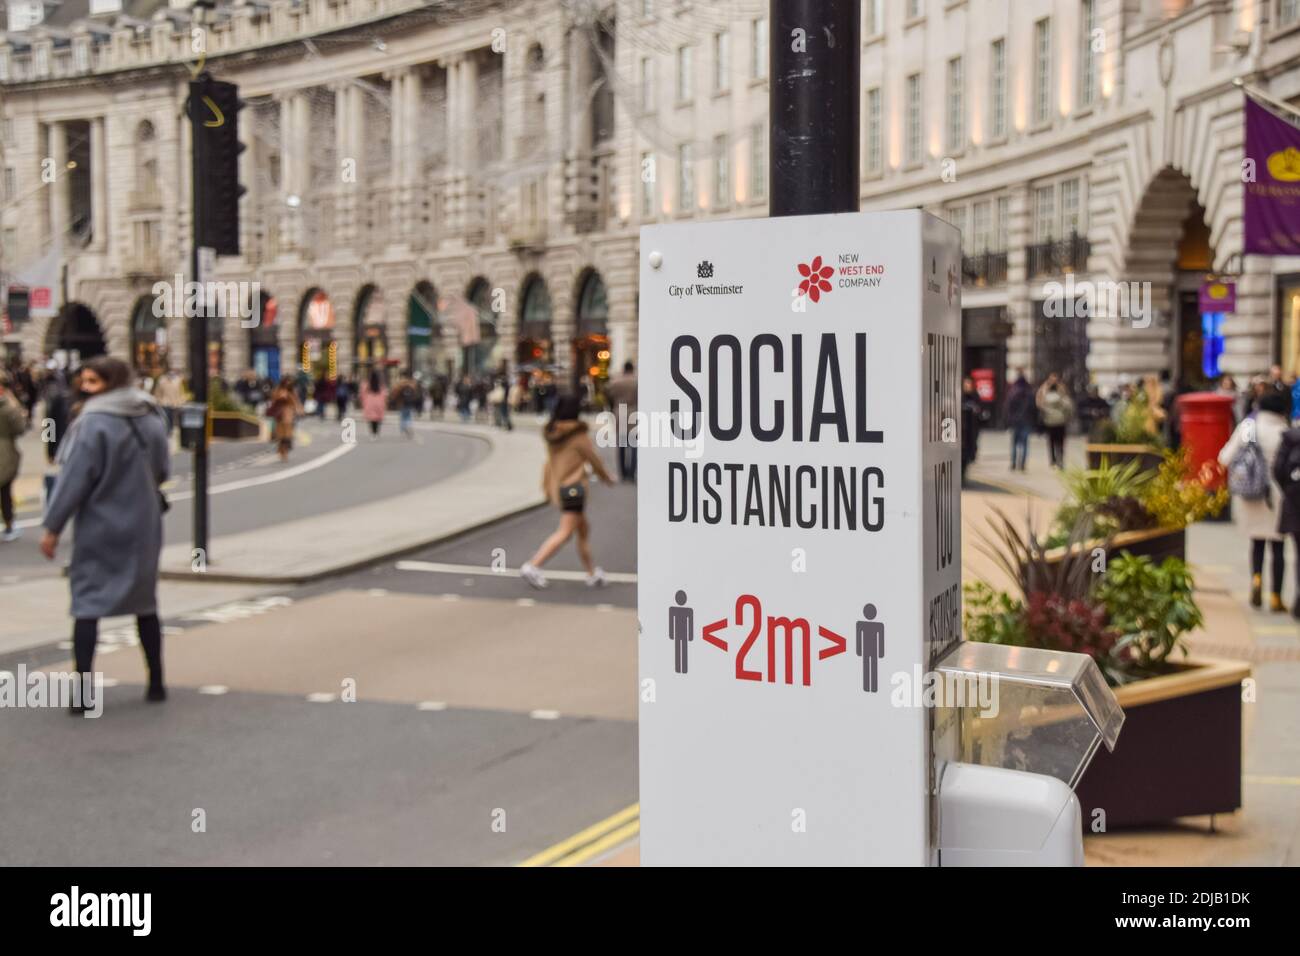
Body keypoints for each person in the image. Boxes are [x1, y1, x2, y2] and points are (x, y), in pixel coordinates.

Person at [39, 356, 171, 707]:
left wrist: (52, 527)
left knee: (87, 604)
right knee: (145, 603)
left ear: (110, 383)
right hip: (144, 524)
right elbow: (163, 468)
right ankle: (156, 683)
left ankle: (82, 695)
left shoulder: (91, 422)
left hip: (100, 525)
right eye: (84, 381)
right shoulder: (152, 415)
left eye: (93, 382)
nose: (85, 388)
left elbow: (72, 481)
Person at [520, 393, 614, 589]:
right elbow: (594, 459)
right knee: (564, 532)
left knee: (582, 530)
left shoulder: (553, 433)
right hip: (574, 488)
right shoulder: (578, 436)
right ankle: (533, 565)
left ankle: (592, 573)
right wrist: (607, 478)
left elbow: (549, 463)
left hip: (560, 486)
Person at [1221, 391, 1290, 611]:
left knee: (1257, 543)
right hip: (1279, 495)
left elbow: (1225, 458)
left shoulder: (1249, 428)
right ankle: (1276, 597)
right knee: (1278, 546)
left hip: (1251, 493)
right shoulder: (1285, 431)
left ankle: (1256, 580)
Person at [0, 372, 28, 542]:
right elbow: (20, 428)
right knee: (5, 491)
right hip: (4, 453)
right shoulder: (7, 407)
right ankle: (9, 525)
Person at [605, 360, 639, 482]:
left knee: (621, 445)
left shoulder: (616, 382)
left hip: (620, 412)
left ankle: (623, 473)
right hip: (634, 412)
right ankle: (631, 472)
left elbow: (608, 395)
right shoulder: (636, 382)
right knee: (634, 445)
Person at [1036, 373, 1074, 469]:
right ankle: (1060, 459)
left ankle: (1053, 460)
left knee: (1051, 441)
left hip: (1050, 422)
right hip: (1061, 421)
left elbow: (1040, 404)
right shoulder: (1061, 394)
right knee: (1060, 442)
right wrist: (1068, 417)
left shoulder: (1045, 394)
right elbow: (1068, 406)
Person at [1005, 369, 1035, 471]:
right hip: (1026, 421)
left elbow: (1008, 408)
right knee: (1025, 443)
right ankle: (1022, 464)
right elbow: (1033, 408)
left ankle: (1013, 463)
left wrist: (1009, 420)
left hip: (1015, 421)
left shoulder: (1012, 392)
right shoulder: (1029, 392)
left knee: (1014, 443)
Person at [267, 379, 303, 462]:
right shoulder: (278, 391)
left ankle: (285, 450)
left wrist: (299, 410)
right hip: (279, 415)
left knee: (287, 435)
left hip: (288, 415)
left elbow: (296, 402)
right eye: (287, 383)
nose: (288, 385)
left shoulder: (292, 392)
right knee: (280, 435)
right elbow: (274, 400)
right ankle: (281, 450)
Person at [959, 377, 981, 483]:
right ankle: (961, 474)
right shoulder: (960, 397)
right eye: (966, 384)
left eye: (969, 384)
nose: (968, 386)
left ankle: (963, 473)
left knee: (968, 455)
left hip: (971, 431)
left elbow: (980, 413)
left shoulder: (975, 398)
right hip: (961, 431)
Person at [152, 367, 185, 434]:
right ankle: (167, 430)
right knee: (165, 417)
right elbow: (158, 392)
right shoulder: (162, 380)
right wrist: (157, 400)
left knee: (172, 418)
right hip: (164, 403)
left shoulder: (177, 381)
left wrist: (181, 401)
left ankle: (171, 430)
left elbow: (180, 392)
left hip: (174, 403)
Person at [360, 370, 388, 439]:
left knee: (371, 419)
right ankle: (376, 432)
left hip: (369, 403)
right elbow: (384, 394)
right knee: (378, 419)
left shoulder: (366, 384)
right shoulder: (380, 385)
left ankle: (372, 433)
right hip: (379, 403)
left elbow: (362, 395)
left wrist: (363, 402)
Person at [393, 372, 420, 439]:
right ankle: (408, 426)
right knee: (408, 417)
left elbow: (396, 395)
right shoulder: (411, 386)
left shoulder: (400, 386)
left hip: (402, 404)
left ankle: (403, 430)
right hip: (410, 404)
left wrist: (396, 402)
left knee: (402, 418)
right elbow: (415, 395)